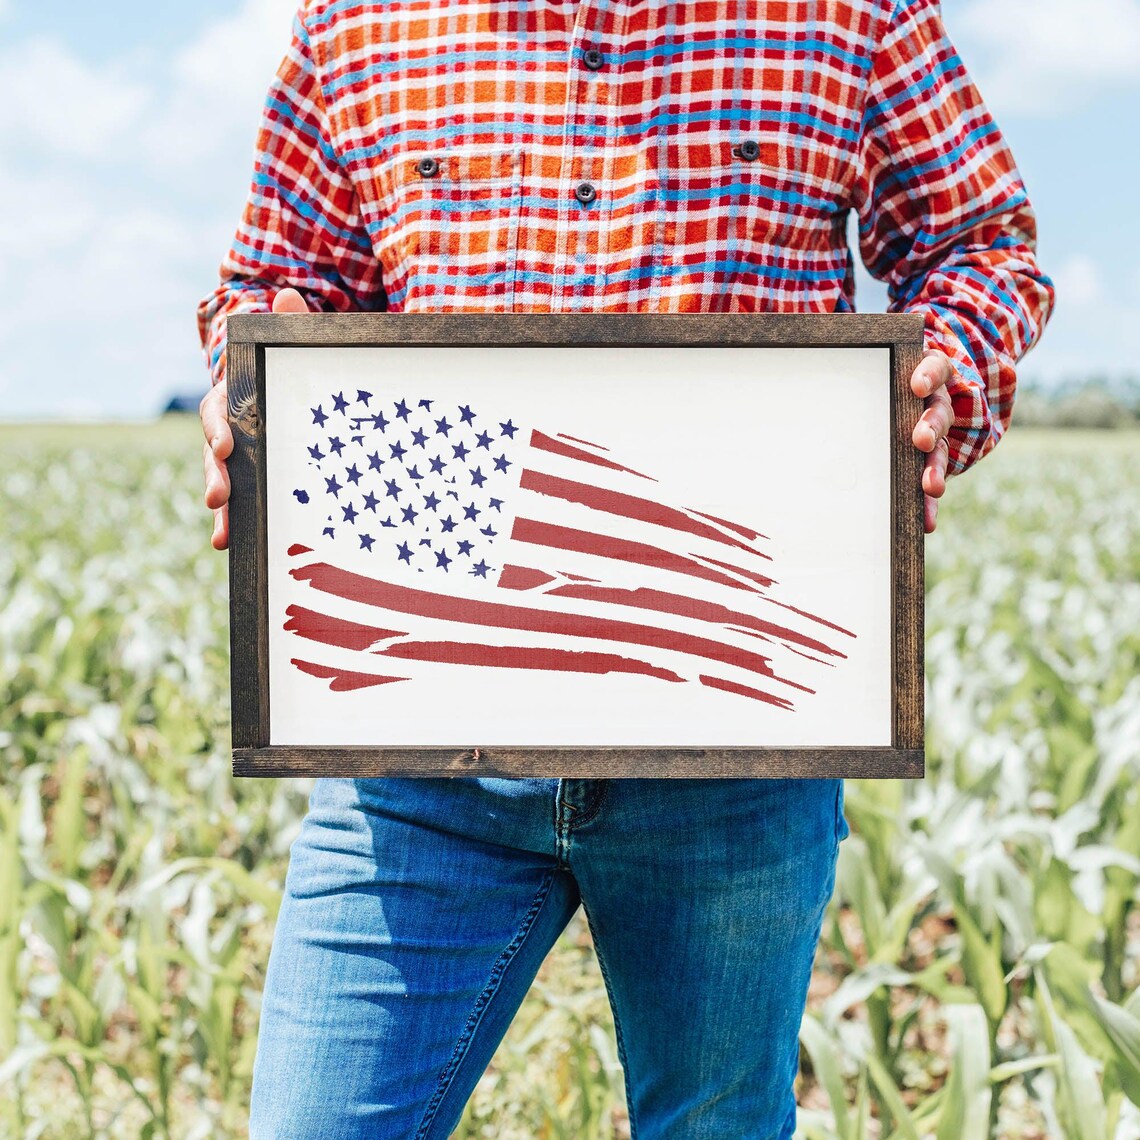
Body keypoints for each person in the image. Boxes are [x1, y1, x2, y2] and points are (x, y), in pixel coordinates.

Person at [197, 1, 1053, 1135]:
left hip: (740, 738)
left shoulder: (855, 10)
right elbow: (277, 275)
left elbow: (982, 245)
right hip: (416, 753)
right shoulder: (359, 17)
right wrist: (256, 382)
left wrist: (948, 367)